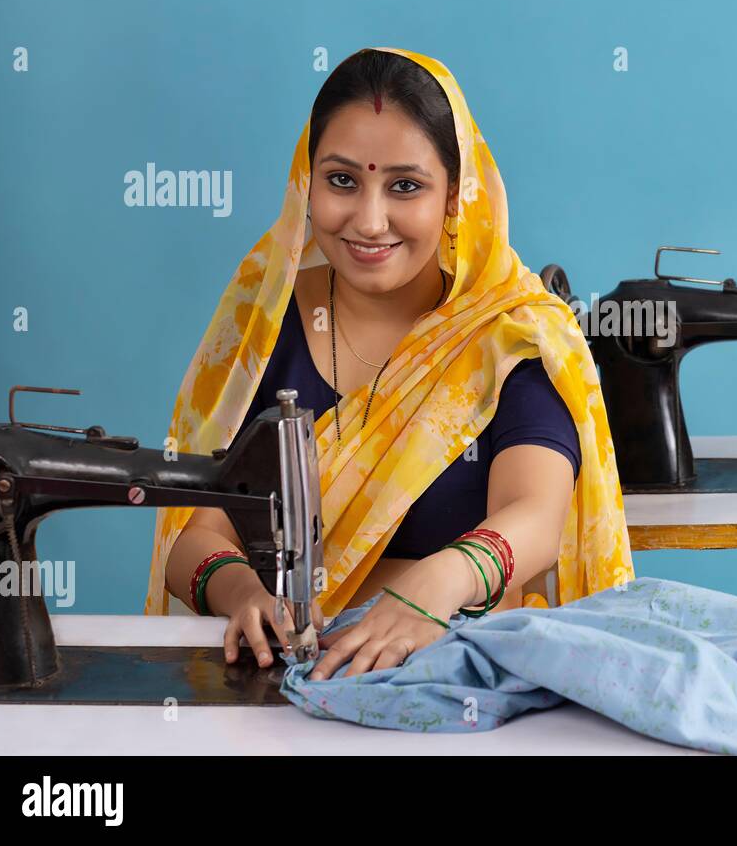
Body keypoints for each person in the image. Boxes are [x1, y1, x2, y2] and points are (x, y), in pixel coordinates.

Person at [146, 48, 633, 682]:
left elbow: (537, 515)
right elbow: (197, 530)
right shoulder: (262, 324)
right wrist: (242, 594)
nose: (369, 221)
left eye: (405, 186)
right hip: (286, 687)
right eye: (342, 181)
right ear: (307, 181)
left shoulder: (509, 332)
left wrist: (437, 584)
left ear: (456, 194)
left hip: (459, 683)